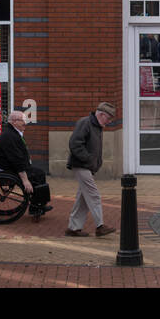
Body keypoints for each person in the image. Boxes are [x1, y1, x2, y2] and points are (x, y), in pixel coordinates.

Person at [65, 101, 117, 237]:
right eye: (109, 118)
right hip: (81, 165)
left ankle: (73, 228)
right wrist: (88, 159)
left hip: (87, 166)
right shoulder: (85, 123)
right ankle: (100, 226)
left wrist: (95, 162)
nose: (110, 121)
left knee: (82, 199)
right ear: (100, 114)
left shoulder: (97, 126)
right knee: (94, 195)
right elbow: (74, 144)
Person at [0, 109, 53, 218]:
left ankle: (39, 204)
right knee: (38, 175)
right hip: (9, 170)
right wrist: (25, 180)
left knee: (39, 173)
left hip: (11, 167)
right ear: (14, 122)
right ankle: (36, 206)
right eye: (22, 121)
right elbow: (16, 160)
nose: (25, 123)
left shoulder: (12, 133)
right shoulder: (10, 136)